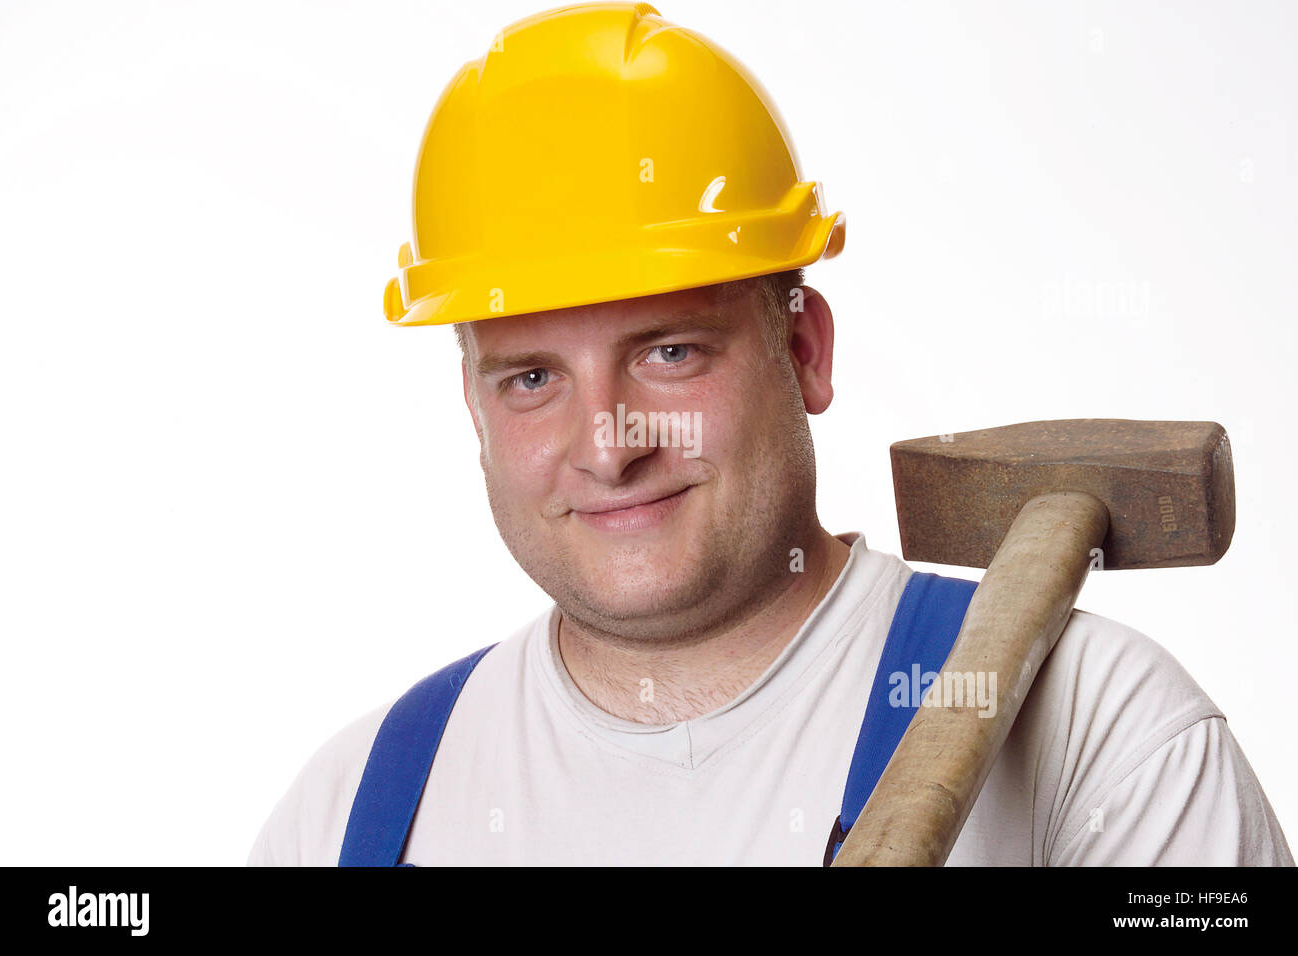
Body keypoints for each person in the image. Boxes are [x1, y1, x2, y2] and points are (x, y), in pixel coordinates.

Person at [248, 1, 1292, 866]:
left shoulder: (1105, 740)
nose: (609, 445)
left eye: (670, 353)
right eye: (531, 378)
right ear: (475, 411)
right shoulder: (352, 812)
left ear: (805, 352)